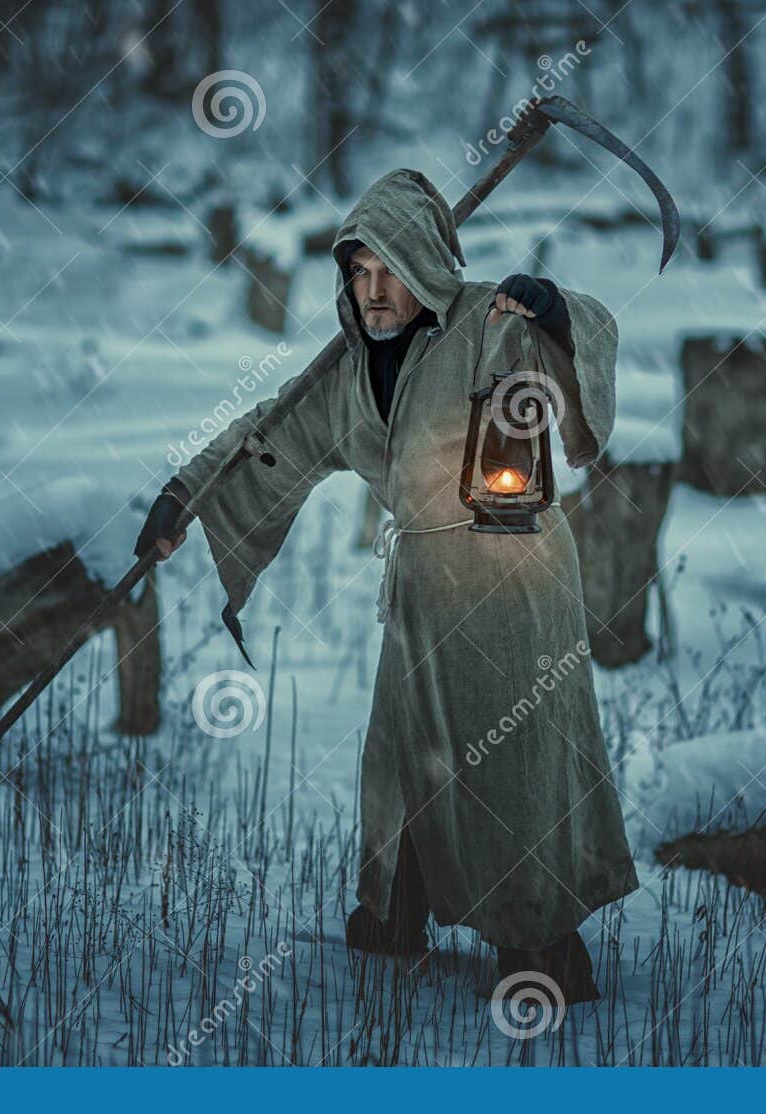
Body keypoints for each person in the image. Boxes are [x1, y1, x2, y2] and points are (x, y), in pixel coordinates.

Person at [135, 169, 637, 1003]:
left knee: (510, 759)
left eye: (390, 271)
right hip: (422, 585)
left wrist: (549, 305)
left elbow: (588, 336)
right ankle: (398, 909)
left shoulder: (487, 321)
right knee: (407, 753)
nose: (372, 291)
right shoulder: (346, 372)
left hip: (512, 576)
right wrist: (183, 495)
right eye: (358, 272)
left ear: (427, 268)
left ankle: (541, 941)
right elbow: (268, 436)